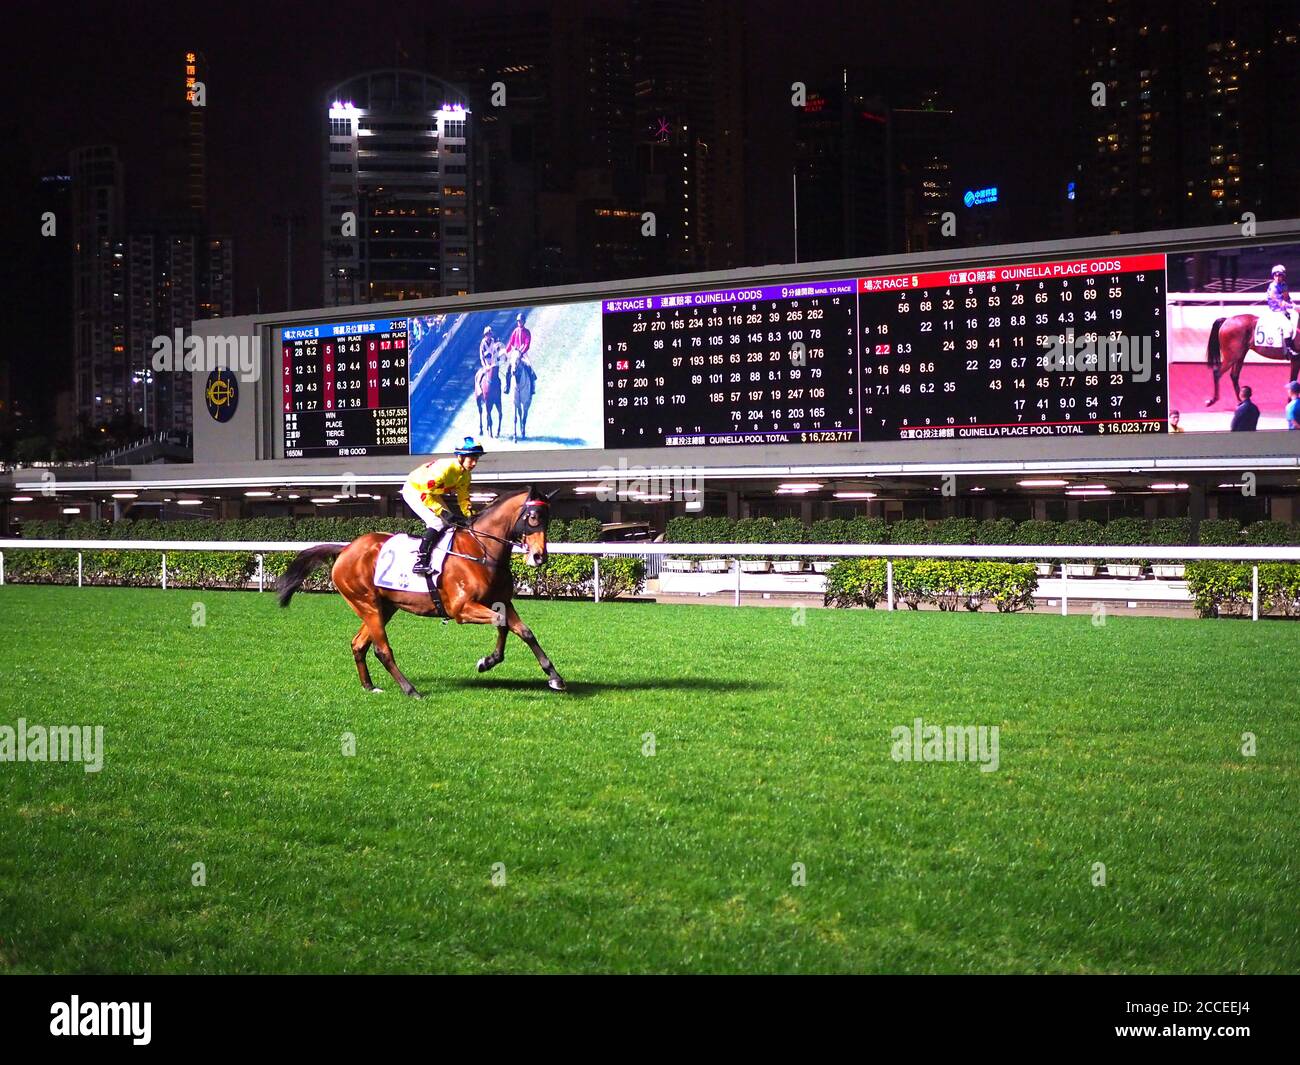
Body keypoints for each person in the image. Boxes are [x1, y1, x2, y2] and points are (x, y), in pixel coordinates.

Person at [402, 437, 485, 576]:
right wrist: (442, 512)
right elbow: (425, 495)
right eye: (471, 459)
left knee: (450, 524)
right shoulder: (444, 470)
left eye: (476, 459)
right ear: (460, 457)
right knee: (437, 522)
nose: (474, 463)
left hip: (431, 493)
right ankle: (421, 560)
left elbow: (463, 496)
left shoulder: (465, 475)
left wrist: (471, 515)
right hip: (415, 490)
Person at [1266, 265, 1300, 358]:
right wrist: (1293, 307)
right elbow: (1280, 303)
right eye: (1275, 275)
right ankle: (1288, 350)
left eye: (1279, 275)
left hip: (1284, 310)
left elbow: (1287, 298)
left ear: (1283, 276)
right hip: (1276, 311)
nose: (1277, 277)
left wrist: (1294, 305)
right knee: (1288, 328)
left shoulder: (1284, 285)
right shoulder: (1273, 287)